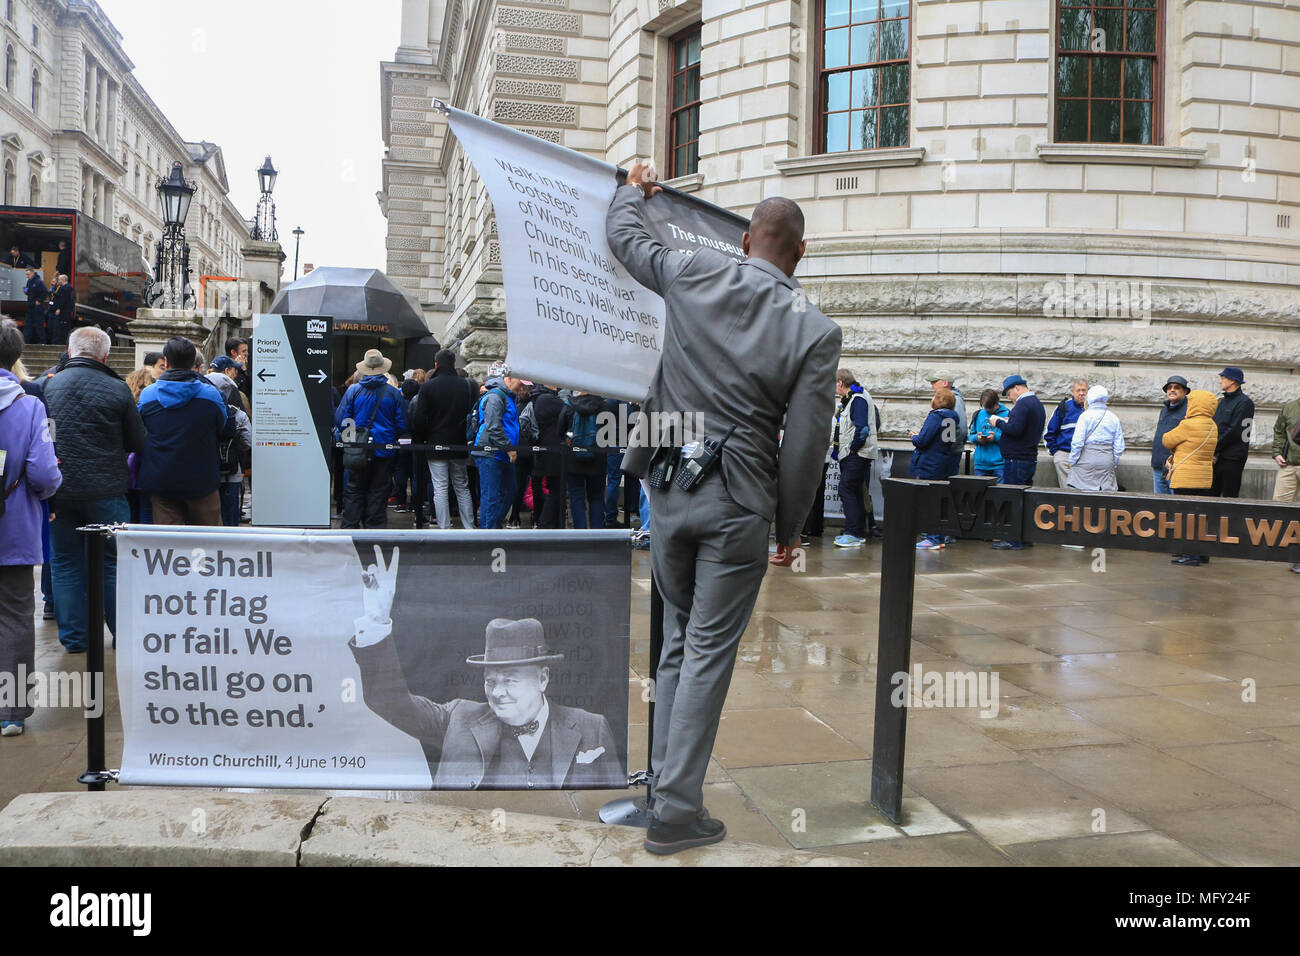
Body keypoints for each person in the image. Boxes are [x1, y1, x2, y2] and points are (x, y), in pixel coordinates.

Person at [608, 167, 840, 854]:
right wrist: (789, 527)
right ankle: (676, 809)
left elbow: (625, 239)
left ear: (745, 240)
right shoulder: (815, 329)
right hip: (738, 500)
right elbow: (805, 446)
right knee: (707, 649)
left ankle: (666, 789)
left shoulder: (692, 270)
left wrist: (632, 187)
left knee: (680, 643)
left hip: (669, 492)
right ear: (799, 252)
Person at [349, 547, 623, 788]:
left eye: (510, 680)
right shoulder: (457, 719)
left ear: (542, 679)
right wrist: (375, 623)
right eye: (491, 680)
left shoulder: (591, 728)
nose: (498, 692)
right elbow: (388, 701)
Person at [42, 326, 145, 652]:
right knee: (113, 563)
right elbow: (138, 442)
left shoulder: (49, 387)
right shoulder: (117, 389)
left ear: (70, 352)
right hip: (108, 491)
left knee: (65, 563)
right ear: (105, 356)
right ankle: (121, 633)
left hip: (60, 491)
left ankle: (75, 639)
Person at [0, 320, 61, 735]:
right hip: (12, 527)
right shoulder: (29, 406)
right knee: (16, 616)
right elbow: (44, 474)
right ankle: (11, 711)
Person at [136, 336, 234, 526]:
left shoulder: (147, 396)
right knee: (209, 545)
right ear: (193, 363)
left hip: (161, 479)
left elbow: (140, 432)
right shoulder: (211, 395)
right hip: (202, 479)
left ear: (165, 362)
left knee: (168, 548)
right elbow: (226, 429)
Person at [334, 349, 408, 530]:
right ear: (383, 368)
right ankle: (374, 528)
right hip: (384, 449)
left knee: (354, 489)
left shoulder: (353, 391)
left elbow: (341, 419)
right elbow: (402, 424)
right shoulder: (393, 393)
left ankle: (350, 526)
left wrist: (353, 435)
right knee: (379, 491)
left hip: (357, 448)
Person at [412, 349, 477, 530]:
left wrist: (424, 438)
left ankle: (444, 527)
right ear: (454, 363)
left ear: (436, 364)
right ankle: (469, 526)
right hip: (459, 443)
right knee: (462, 486)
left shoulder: (428, 387)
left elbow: (419, 419)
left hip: (436, 442)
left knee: (440, 487)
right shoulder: (465, 385)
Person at [989, 374, 1046, 550]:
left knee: (1014, 498)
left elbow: (1015, 430)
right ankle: (1025, 537)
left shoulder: (1023, 404)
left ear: (1017, 388)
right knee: (1025, 498)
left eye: (1008, 393)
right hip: (1028, 458)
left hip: (1016, 459)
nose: (1009, 397)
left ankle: (1013, 539)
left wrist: (997, 422)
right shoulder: (1036, 403)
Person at [1163, 390, 1218, 567]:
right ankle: (1202, 553)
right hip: (1204, 478)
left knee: (1186, 517)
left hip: (1186, 477)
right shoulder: (1212, 426)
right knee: (1200, 517)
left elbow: (1167, 440)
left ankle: (1189, 555)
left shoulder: (1188, 425)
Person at [470, 361, 522, 530]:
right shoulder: (496, 396)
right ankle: (488, 532)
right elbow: (494, 426)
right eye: (521, 384)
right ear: (509, 379)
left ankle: (492, 527)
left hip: (499, 451)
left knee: (508, 490)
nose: (523, 388)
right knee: (491, 496)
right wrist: (509, 448)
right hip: (492, 452)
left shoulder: (505, 396)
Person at [910, 388, 963, 550]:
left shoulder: (935, 416)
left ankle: (932, 538)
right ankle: (939, 536)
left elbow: (922, 441)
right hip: (945, 462)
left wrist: (914, 436)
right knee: (941, 501)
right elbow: (949, 440)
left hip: (930, 464)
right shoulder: (953, 417)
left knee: (930, 501)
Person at [831, 368, 877, 548]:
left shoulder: (858, 399)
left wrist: (853, 449)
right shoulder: (854, 398)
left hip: (857, 454)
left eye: (835, 384)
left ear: (841, 383)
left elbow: (862, 428)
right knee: (855, 490)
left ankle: (853, 532)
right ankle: (857, 531)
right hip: (856, 453)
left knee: (845, 489)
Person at [206, 357, 251, 527]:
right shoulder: (237, 413)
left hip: (207, 474)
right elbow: (247, 441)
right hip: (231, 473)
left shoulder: (202, 412)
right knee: (230, 518)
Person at [562, 390, 609, 528]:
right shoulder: (603, 406)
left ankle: (580, 534)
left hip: (573, 459)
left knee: (576, 497)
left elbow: (560, 429)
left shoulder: (569, 405)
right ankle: (597, 533)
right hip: (598, 459)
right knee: (597, 497)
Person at [1066, 385, 1124, 491]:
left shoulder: (1085, 416)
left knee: (1083, 494)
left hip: (1086, 459)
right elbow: (1119, 446)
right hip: (1107, 459)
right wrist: (1113, 462)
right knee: (1105, 494)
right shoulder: (1113, 417)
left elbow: (1077, 443)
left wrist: (1072, 460)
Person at [1212, 367, 1254, 499]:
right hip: (1216, 457)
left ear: (1232, 381)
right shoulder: (1221, 402)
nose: (1220, 381)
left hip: (1232, 458)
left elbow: (1236, 431)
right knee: (1210, 496)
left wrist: (1213, 447)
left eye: (1223, 378)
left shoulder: (1245, 402)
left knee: (1229, 498)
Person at [1271, 381, 1300, 573]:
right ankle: (1286, 553)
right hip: (1289, 465)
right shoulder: (1290, 407)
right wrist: (1277, 452)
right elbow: (1279, 431)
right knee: (1280, 507)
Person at [1045, 378, 1088, 487]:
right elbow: (1049, 432)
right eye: (1078, 390)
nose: (1081, 393)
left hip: (1086, 456)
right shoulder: (1064, 407)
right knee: (1068, 491)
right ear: (1072, 392)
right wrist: (1057, 453)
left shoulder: (1093, 409)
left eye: (1084, 390)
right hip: (1065, 456)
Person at [1151, 375, 1188, 494]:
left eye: (1176, 387)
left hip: (1174, 466)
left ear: (1185, 391)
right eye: (1169, 387)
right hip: (1158, 465)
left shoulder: (1188, 411)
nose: (1172, 390)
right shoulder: (1164, 409)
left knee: (1175, 505)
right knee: (1159, 505)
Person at [969, 388, 1007, 479]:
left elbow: (1010, 438)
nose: (989, 410)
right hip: (981, 464)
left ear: (997, 402)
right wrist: (977, 438)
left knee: (1000, 492)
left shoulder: (1007, 414)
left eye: (991, 408)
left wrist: (995, 437)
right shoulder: (978, 414)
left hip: (1000, 464)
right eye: (986, 408)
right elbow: (971, 435)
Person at [926, 370, 965, 440]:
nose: (931, 383)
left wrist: (950, 447)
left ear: (945, 383)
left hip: (948, 449)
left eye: (935, 381)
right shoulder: (945, 398)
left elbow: (961, 429)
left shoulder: (956, 400)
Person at [22, 268, 48, 345]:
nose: (27, 276)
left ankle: (42, 342)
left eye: (28, 274)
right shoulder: (29, 282)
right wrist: (26, 292)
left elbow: (45, 292)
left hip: (37, 308)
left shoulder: (39, 282)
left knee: (39, 325)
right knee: (28, 325)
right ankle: (25, 341)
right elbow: (29, 292)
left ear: (33, 273)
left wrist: (39, 301)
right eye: (26, 274)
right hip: (30, 306)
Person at [48, 274, 73, 345]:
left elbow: (63, 300)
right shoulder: (66, 287)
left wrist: (59, 308)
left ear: (63, 280)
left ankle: (59, 344)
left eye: (59, 280)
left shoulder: (66, 288)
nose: (58, 281)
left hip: (64, 313)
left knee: (60, 329)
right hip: (63, 312)